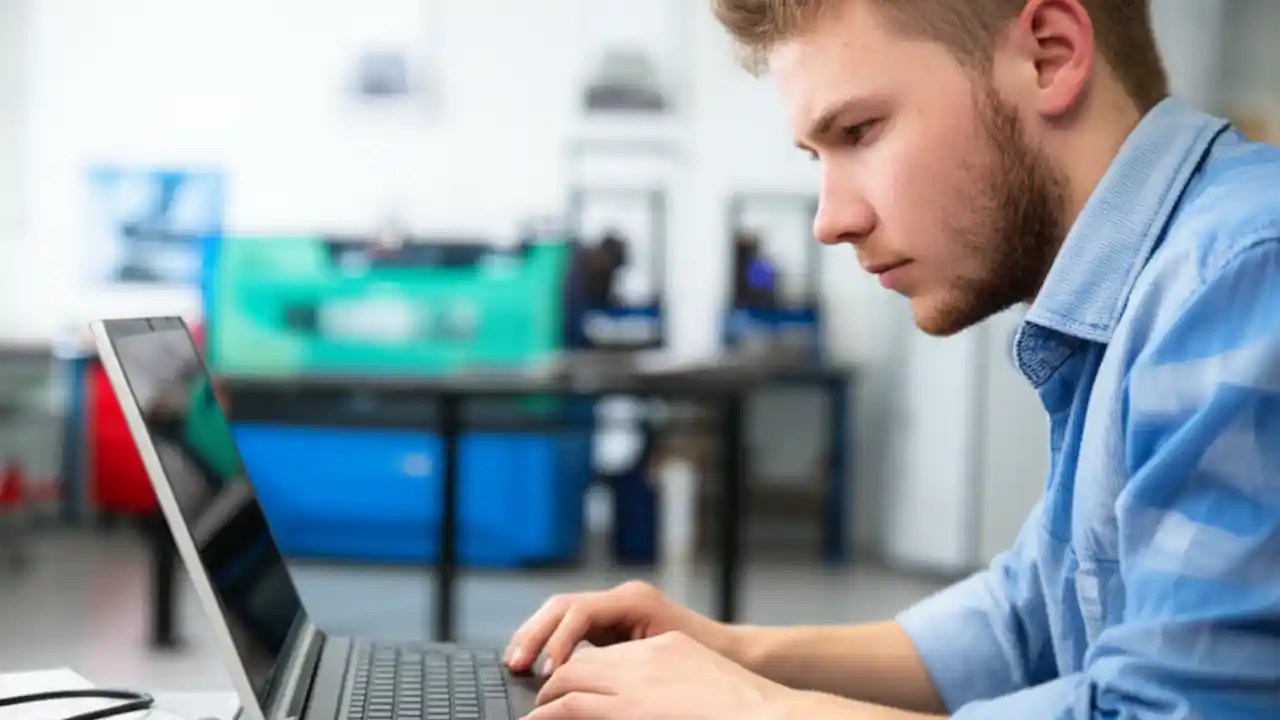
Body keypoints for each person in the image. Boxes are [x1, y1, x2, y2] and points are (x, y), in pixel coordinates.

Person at [507, 0, 1280, 717]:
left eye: (860, 132)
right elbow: (1024, 621)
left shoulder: (1238, 275)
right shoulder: (1151, 290)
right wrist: (730, 653)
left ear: (1049, 56)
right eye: (816, 154)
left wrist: (755, 710)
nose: (831, 220)